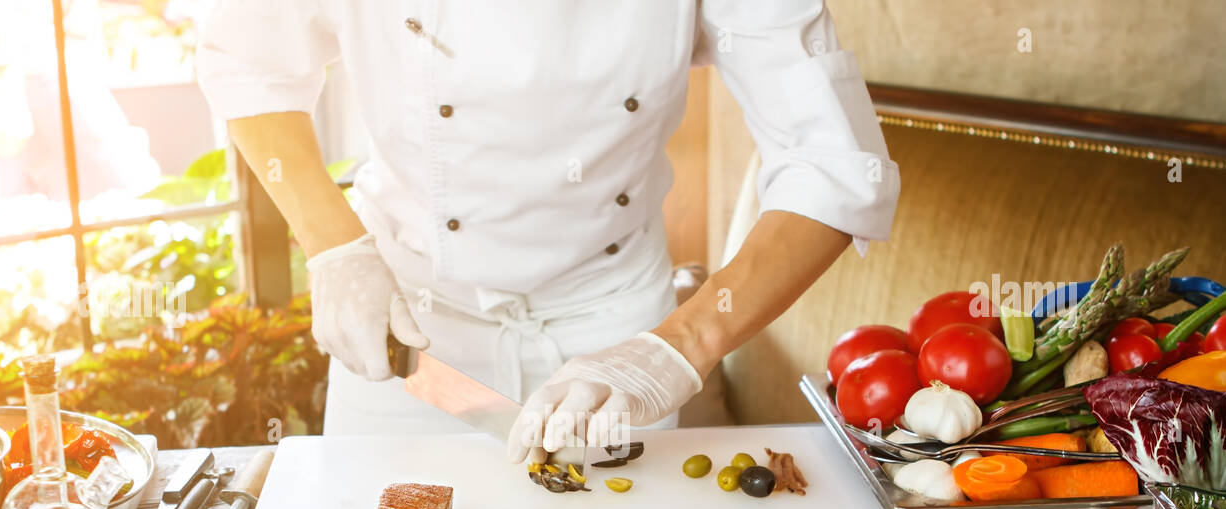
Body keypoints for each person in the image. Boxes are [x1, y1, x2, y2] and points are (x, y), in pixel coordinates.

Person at [197, 1, 898, 462]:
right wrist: (335, 249)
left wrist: (681, 345)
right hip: (410, 328)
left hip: (619, 339)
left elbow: (832, 162)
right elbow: (251, 65)